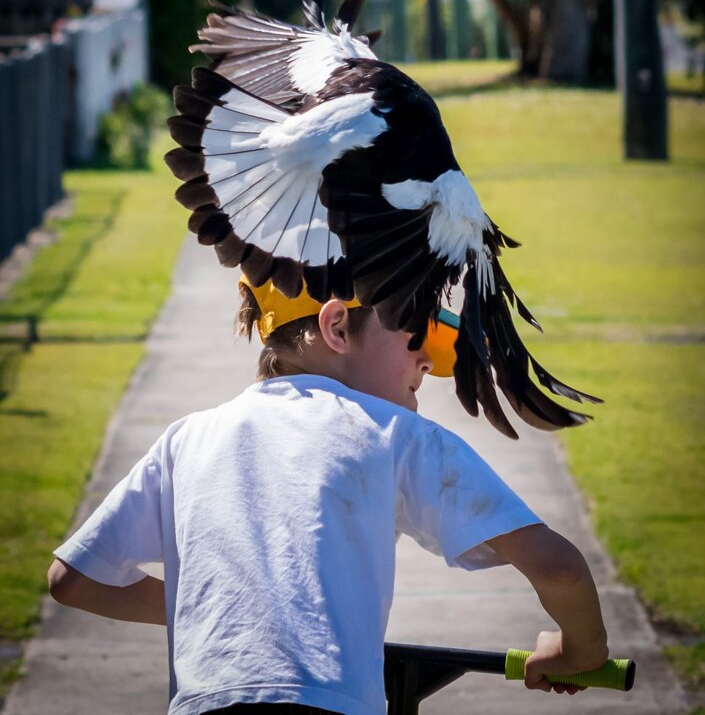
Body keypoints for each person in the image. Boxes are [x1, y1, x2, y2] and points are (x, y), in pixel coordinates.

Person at [48, 278, 609, 715]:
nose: (429, 363)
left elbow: (73, 578)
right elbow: (558, 568)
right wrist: (578, 652)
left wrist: (217, 607)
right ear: (337, 326)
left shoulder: (186, 438)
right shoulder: (396, 434)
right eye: (415, 334)